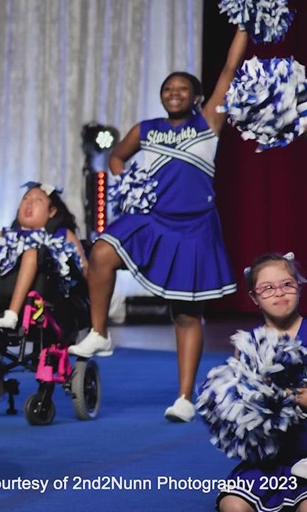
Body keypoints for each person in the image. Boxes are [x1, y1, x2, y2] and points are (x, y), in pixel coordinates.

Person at [68, 24, 250, 424]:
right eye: (168, 89)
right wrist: (128, 181)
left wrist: (243, 25)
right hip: (152, 220)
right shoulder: (146, 129)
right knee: (102, 251)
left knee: (186, 314)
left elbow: (228, 70)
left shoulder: (208, 123)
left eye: (182, 89)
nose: (174, 93)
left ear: (197, 97)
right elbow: (117, 157)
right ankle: (99, 333)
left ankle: (184, 397)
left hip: (194, 228)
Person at [216, 253, 307, 512]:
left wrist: (285, 394)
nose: (279, 293)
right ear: (254, 297)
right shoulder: (247, 344)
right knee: (233, 505)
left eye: (287, 284)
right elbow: (240, 409)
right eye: (268, 288)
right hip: (268, 460)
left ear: (299, 287)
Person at [0, 184, 86, 332]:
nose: (29, 203)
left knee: (32, 253)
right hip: (0, 287)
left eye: (38, 200)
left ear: (52, 212)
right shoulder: (5, 234)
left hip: (47, 290)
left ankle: (11, 316)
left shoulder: (62, 234)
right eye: (26, 199)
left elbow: (84, 266)